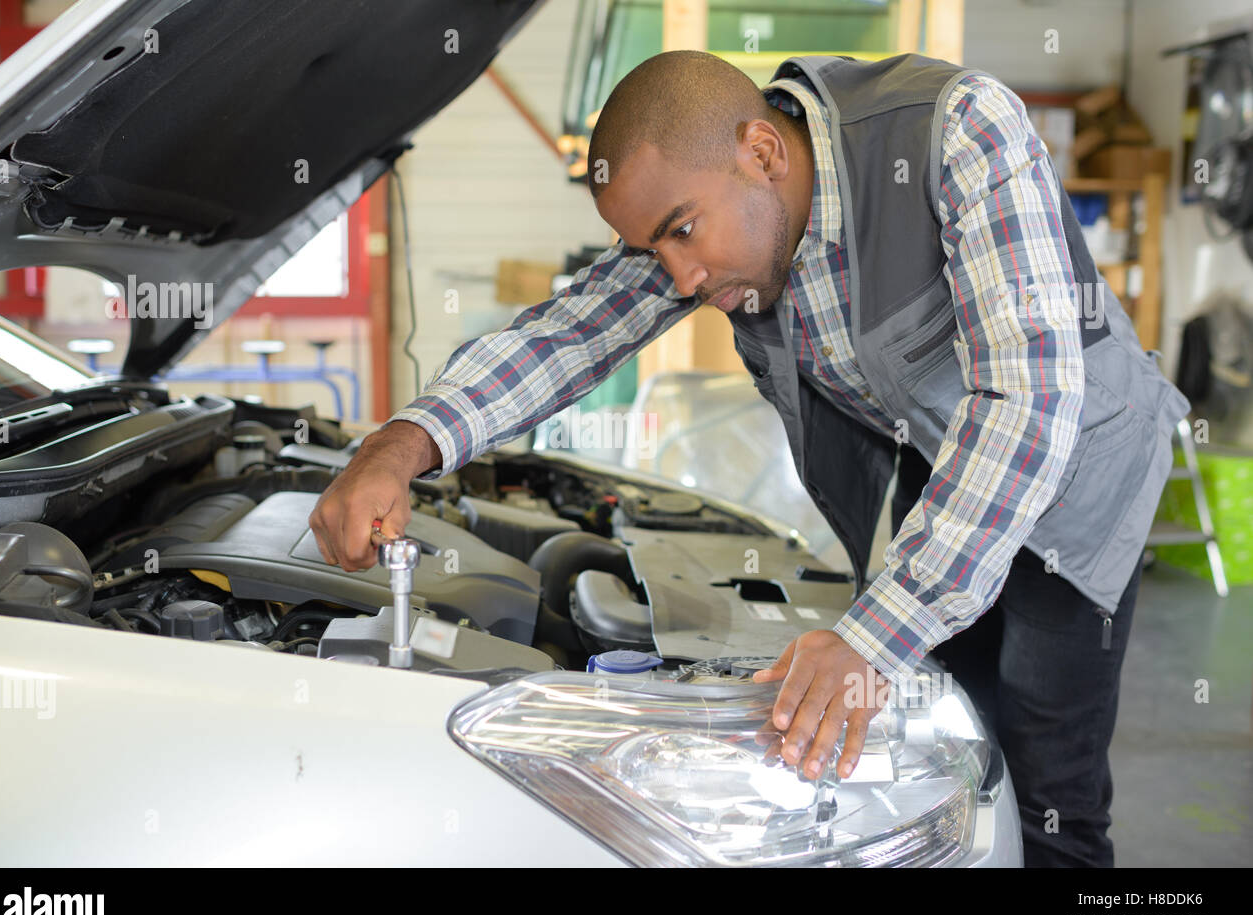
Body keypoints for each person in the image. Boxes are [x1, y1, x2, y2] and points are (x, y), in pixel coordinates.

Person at [308, 50, 1189, 867]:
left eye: (683, 231)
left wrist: (869, 639)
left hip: (1079, 471)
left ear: (764, 151)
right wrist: (402, 441)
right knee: (949, 728)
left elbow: (1028, 402)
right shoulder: (714, 205)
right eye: (657, 247)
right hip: (948, 452)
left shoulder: (958, 131)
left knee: (1049, 763)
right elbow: (572, 332)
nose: (680, 277)